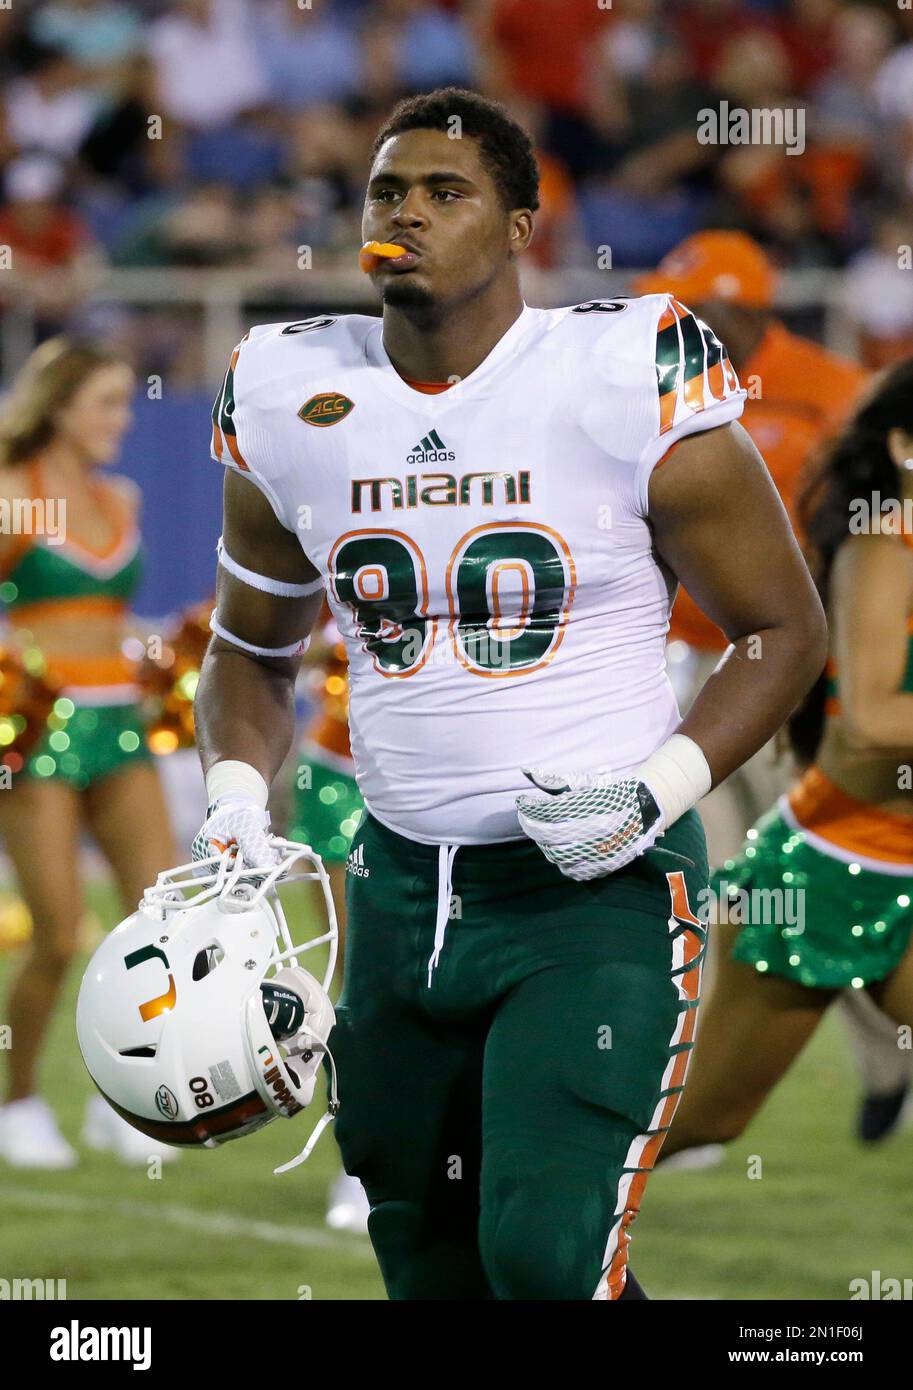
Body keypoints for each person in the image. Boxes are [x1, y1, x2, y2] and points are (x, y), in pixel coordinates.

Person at [193, 88, 825, 1300]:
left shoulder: (621, 365)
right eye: (386, 190)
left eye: (445, 192)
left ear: (523, 224)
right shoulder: (288, 387)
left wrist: (657, 789)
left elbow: (780, 628)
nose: (406, 214)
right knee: (432, 1271)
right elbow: (253, 645)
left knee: (541, 1255)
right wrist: (232, 799)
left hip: (593, 892)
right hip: (394, 891)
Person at [637, 230, 910, 1143]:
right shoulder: (890, 538)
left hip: (818, 713)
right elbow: (872, 719)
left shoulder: (826, 390)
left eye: (698, 306)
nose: (679, 321)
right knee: (692, 1112)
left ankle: (881, 1077)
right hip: (825, 819)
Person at [0, 337, 179, 1168]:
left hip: (121, 726)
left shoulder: (120, 498)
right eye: (106, 402)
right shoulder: (15, 498)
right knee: (61, 932)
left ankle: (130, 1100)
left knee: (159, 925)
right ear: (59, 406)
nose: (122, 417)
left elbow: (109, 617)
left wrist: (164, 657)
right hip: (40, 737)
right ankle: (18, 1101)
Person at [286, 601, 368, 1233]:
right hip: (344, 777)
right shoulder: (338, 514)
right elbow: (259, 635)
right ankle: (363, 1163)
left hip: (466, 789)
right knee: (366, 979)